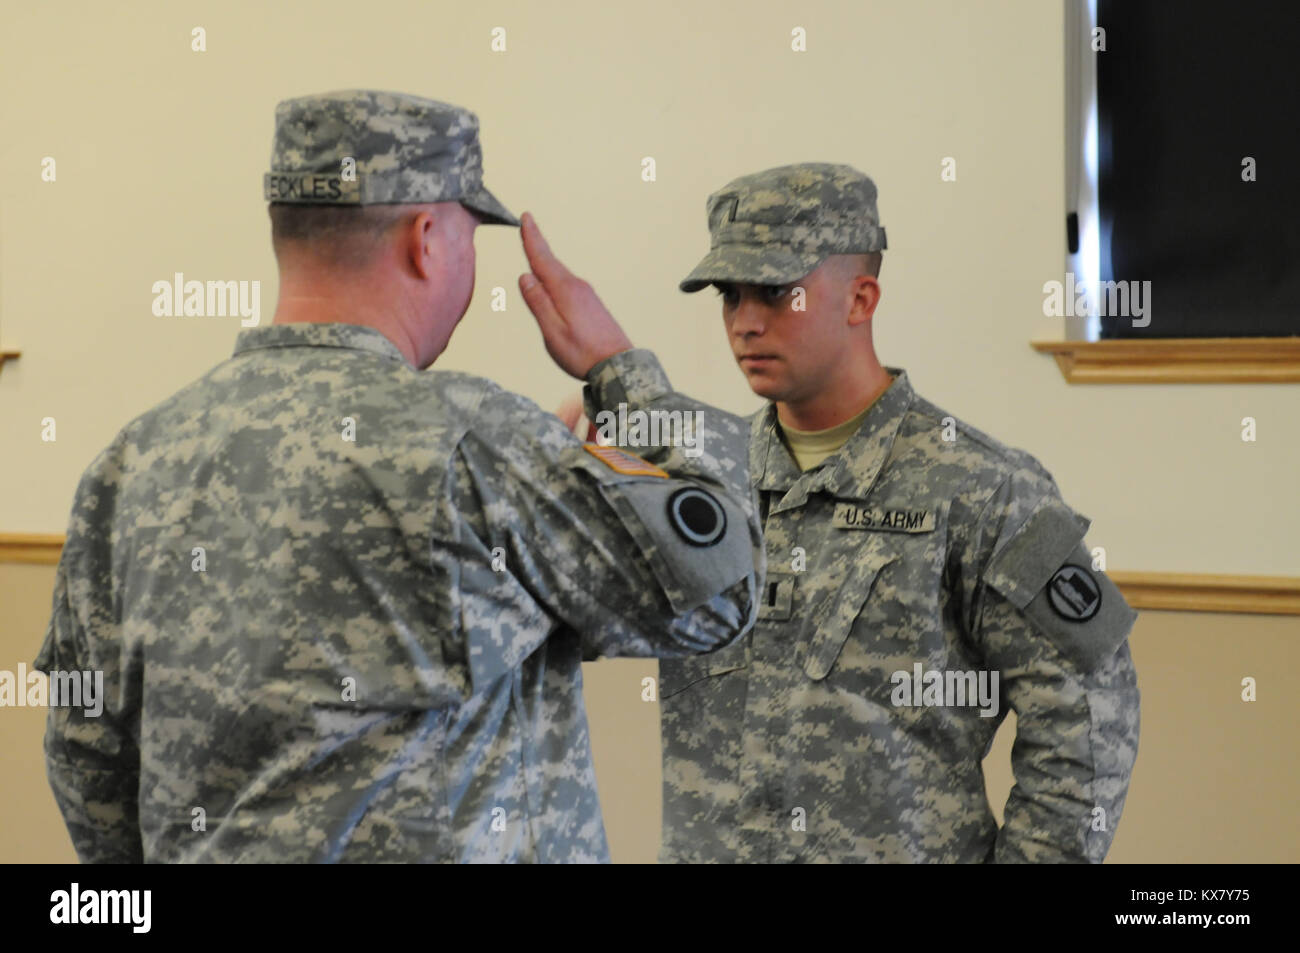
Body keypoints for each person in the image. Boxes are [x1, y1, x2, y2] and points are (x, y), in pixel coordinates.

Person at [33, 89, 761, 863]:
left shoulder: (129, 463)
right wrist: (624, 376)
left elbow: (86, 756)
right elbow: (720, 596)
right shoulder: (478, 443)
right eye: (470, 235)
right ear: (426, 239)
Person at [537, 163, 1141, 863]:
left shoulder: (983, 488)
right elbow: (574, 625)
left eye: (775, 292)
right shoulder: (702, 490)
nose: (745, 321)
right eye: (730, 295)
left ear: (861, 299)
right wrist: (560, 505)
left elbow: (1091, 722)